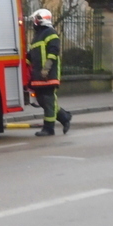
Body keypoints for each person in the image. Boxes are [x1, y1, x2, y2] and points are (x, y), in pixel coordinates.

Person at [27, 8, 72, 137]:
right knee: (42, 101)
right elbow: (31, 55)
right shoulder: (37, 37)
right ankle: (64, 117)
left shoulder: (50, 33)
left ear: (41, 20)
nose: (34, 22)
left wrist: (47, 68)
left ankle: (48, 128)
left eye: (35, 19)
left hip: (48, 75)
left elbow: (53, 51)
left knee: (48, 101)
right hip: (38, 75)